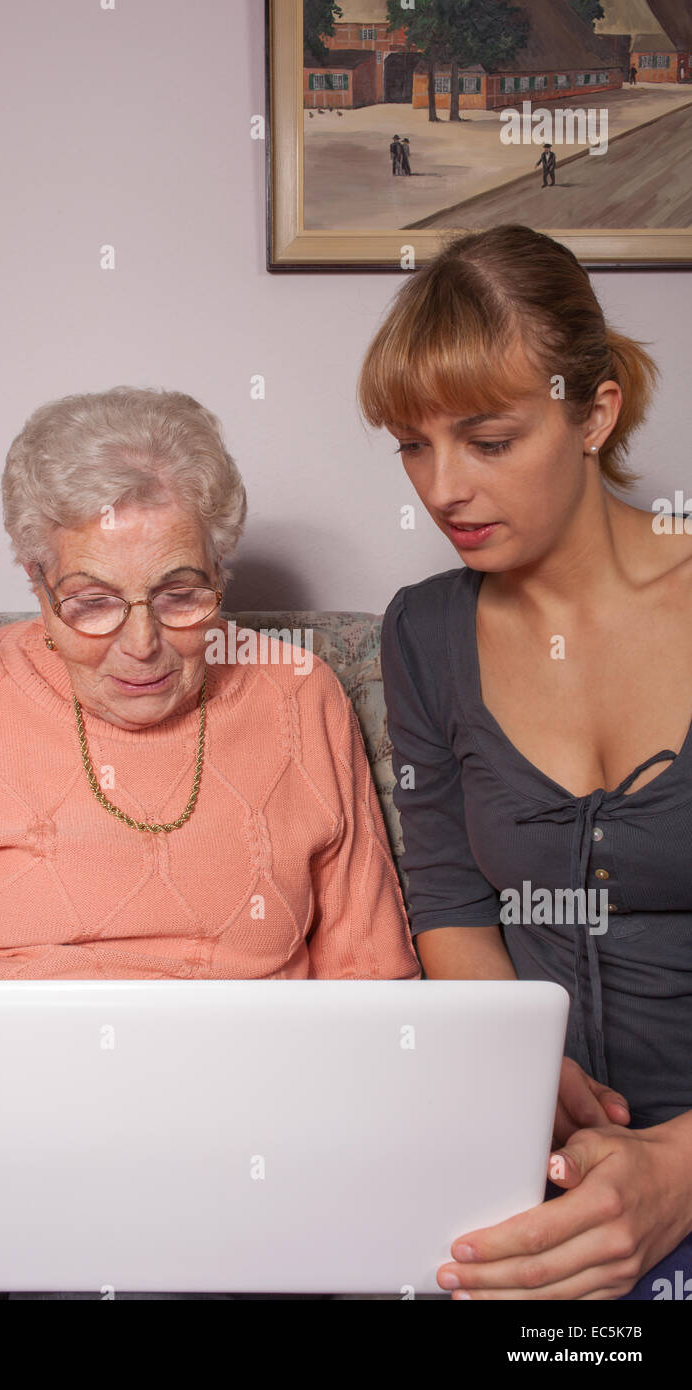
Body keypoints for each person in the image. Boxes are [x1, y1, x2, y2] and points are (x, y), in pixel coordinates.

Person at [0, 385, 420, 1300]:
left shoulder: (298, 697)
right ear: (35, 583)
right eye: (92, 602)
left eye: (182, 595)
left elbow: (372, 984)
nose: (141, 644)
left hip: (230, 1120)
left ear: (219, 571)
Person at [358, 222, 692, 1300]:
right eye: (411, 443)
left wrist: (677, 1169)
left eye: (486, 439)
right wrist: (517, 1079)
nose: (441, 487)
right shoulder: (420, 630)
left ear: (592, 413)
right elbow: (449, 896)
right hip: (521, 1158)